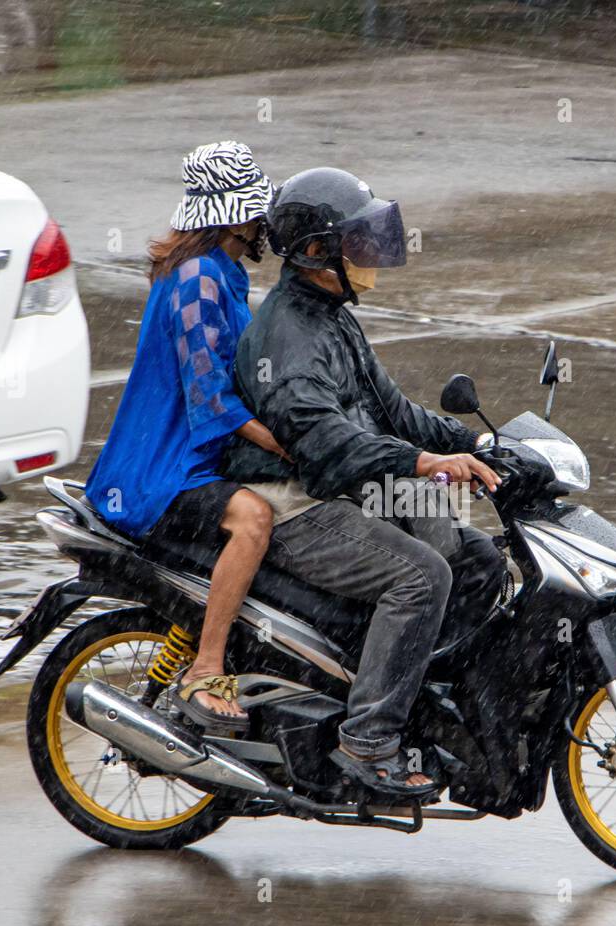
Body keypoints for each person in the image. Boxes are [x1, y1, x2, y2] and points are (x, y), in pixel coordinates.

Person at [222, 167, 506, 799]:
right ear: (318, 251)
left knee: (477, 558)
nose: (371, 252)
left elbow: (394, 413)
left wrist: (480, 444)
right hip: (296, 503)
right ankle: (367, 741)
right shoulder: (290, 339)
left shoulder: (332, 313)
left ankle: (421, 700)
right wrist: (425, 465)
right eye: (356, 239)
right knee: (422, 574)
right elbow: (322, 446)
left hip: (340, 484)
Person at [84, 141, 287, 729]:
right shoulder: (198, 279)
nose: (261, 226)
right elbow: (210, 396)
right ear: (232, 217)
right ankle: (206, 665)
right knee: (253, 520)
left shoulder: (216, 272)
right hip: (164, 470)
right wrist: (280, 442)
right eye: (254, 214)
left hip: (194, 457)